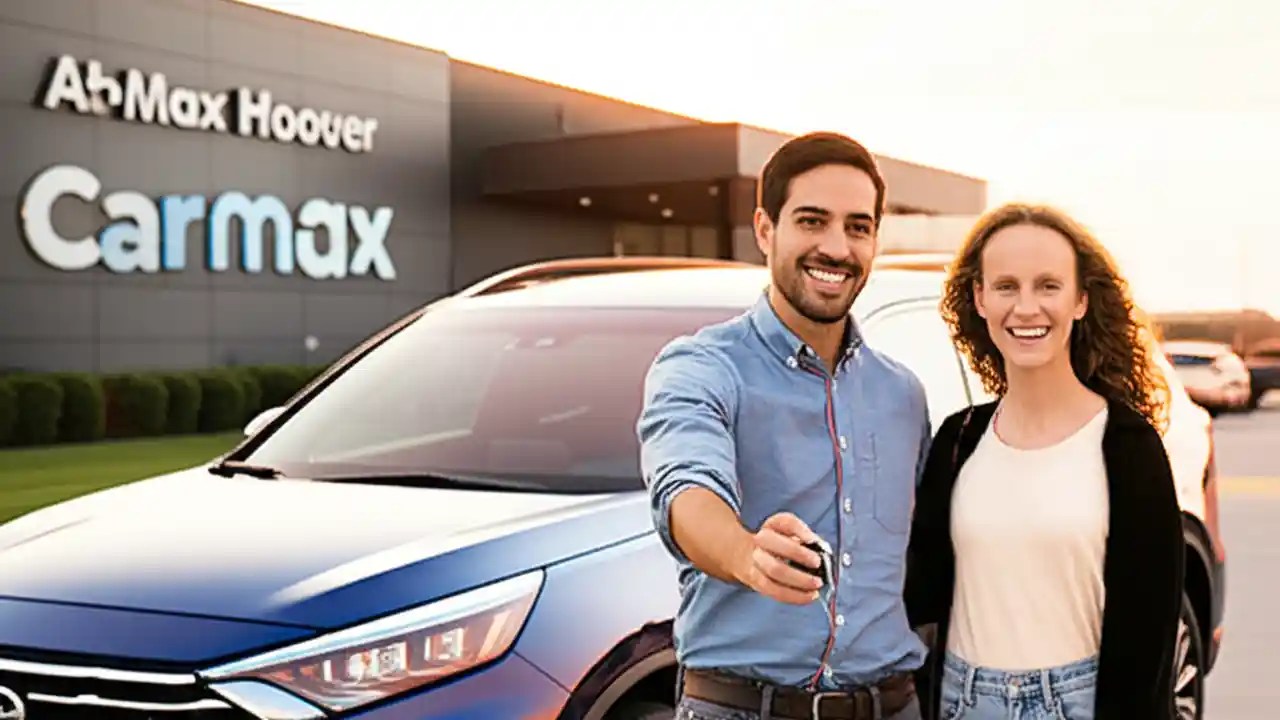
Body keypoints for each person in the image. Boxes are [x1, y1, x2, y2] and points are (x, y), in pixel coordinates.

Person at [637, 131, 932, 720]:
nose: (837, 247)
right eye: (812, 221)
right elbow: (685, 489)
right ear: (765, 229)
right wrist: (747, 555)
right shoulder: (702, 367)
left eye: (858, 227)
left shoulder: (902, 394)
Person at [904, 203, 1185, 720]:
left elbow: (1149, 637)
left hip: (1080, 702)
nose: (1026, 307)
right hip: (963, 702)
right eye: (1006, 286)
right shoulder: (958, 440)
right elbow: (917, 598)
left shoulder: (1129, 447)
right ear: (980, 298)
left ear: (1080, 300)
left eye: (1048, 286)